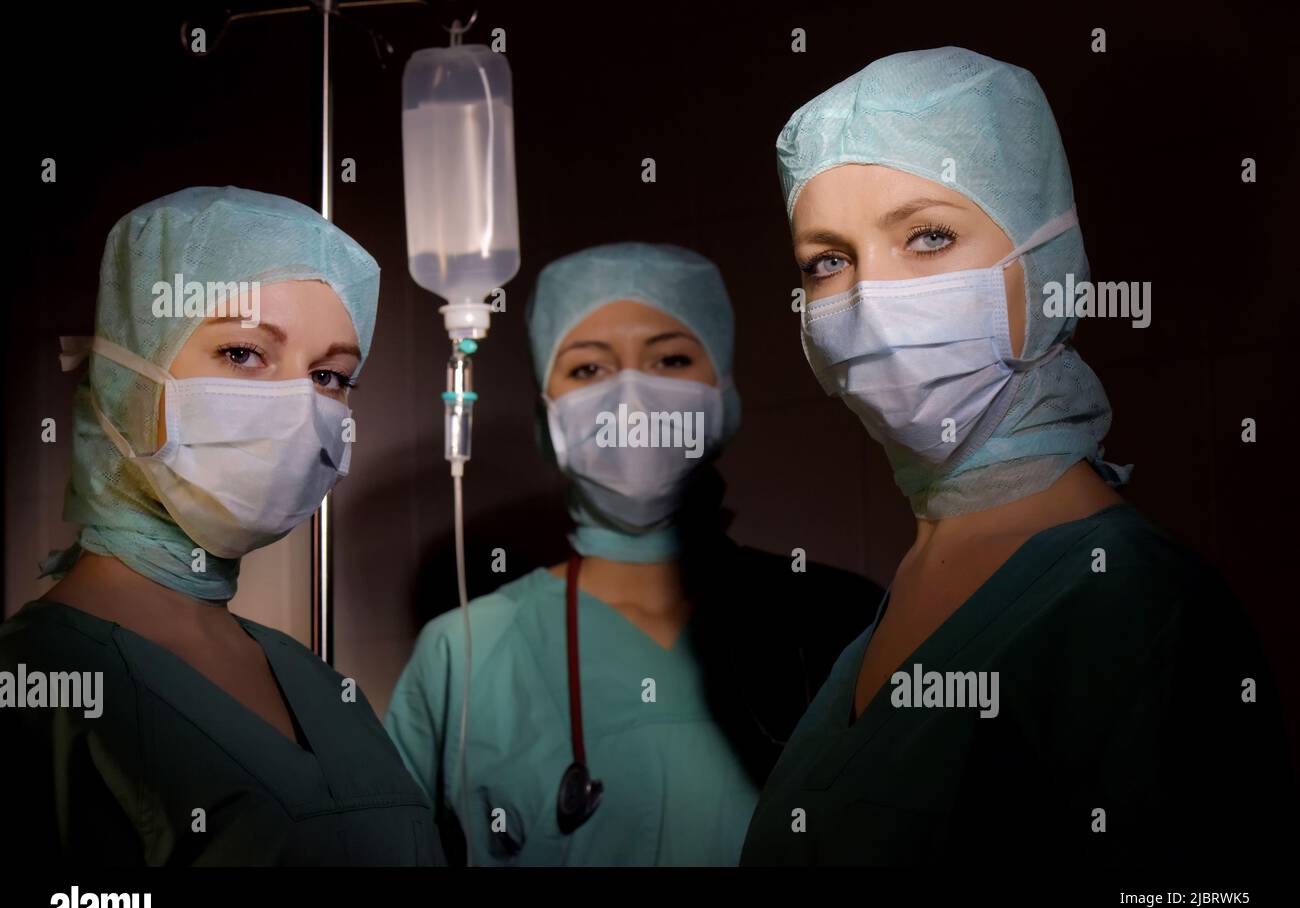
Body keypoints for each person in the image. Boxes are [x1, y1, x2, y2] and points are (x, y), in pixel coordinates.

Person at [741, 47, 1296, 865]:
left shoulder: (1135, 610)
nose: (871, 299)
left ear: (1045, 264)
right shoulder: (913, 593)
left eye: (928, 237)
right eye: (827, 261)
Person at [385, 242, 883, 865]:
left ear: (723, 395)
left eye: (670, 359)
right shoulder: (461, 655)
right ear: (548, 417)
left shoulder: (841, 624)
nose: (632, 401)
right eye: (588, 370)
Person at [0, 187, 442, 865]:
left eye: (328, 375)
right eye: (242, 354)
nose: (299, 411)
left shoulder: (321, 686)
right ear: (126, 374)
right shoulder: (36, 684)